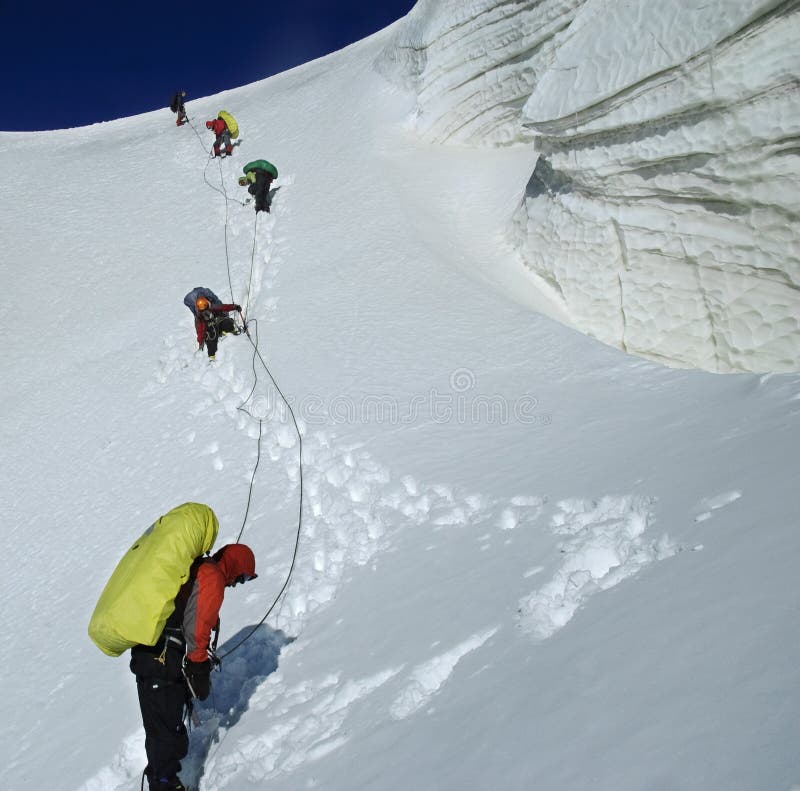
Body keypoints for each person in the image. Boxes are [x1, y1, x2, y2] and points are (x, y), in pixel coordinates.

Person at [130, 543, 258, 791]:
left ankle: (160, 779)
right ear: (236, 566)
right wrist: (198, 668)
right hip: (163, 659)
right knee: (167, 733)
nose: (238, 583)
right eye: (242, 578)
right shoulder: (212, 577)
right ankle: (165, 784)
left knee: (158, 729)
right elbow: (197, 630)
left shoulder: (198, 568)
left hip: (148, 654)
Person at [193, 295, 242, 361]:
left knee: (226, 321)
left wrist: (234, 307)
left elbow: (224, 307)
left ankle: (232, 332)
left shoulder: (213, 307)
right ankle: (212, 357)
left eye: (204, 306)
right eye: (201, 307)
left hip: (219, 325)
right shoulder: (199, 318)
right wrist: (201, 343)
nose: (203, 309)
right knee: (209, 338)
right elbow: (200, 331)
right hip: (211, 333)